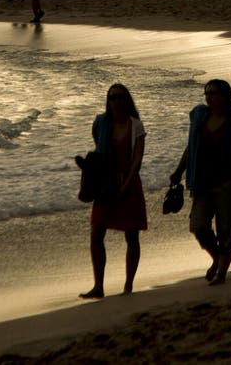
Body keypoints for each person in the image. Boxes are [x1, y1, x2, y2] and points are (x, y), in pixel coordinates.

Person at [170, 79, 231, 286]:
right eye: (206, 93)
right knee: (198, 226)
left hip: (227, 183)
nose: (208, 97)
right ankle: (217, 258)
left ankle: (221, 273)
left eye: (213, 93)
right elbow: (191, 149)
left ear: (224, 96)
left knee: (226, 229)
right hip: (202, 183)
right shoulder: (200, 119)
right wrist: (178, 171)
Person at [80, 84, 147, 299]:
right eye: (112, 98)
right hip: (105, 184)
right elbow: (99, 148)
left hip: (128, 182)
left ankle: (128, 285)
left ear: (127, 99)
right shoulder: (101, 123)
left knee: (131, 234)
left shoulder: (135, 125)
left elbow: (137, 159)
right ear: (108, 101)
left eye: (120, 97)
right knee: (97, 231)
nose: (116, 101)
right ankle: (98, 286)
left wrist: (126, 185)